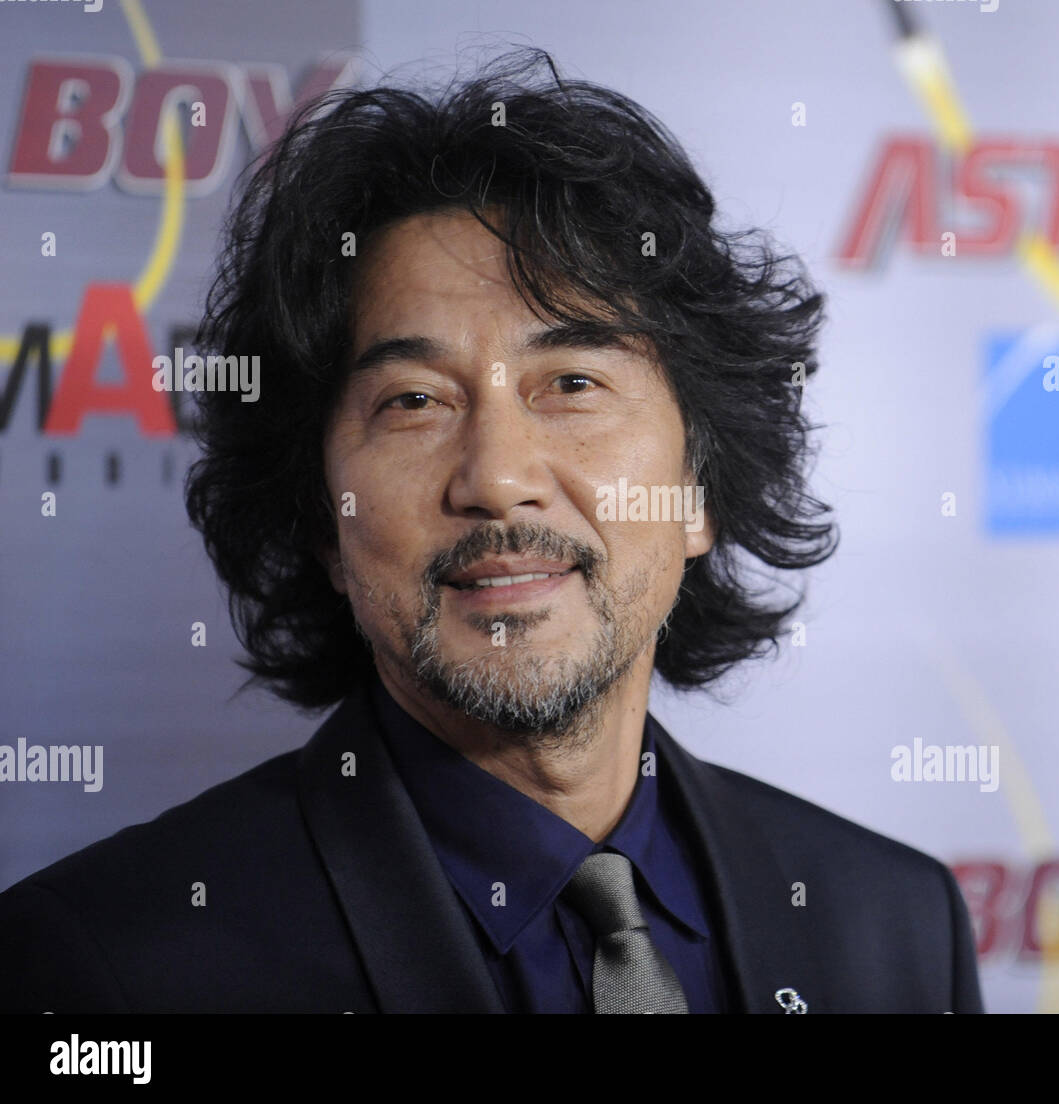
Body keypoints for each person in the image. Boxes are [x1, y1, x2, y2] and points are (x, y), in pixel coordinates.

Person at [0, 49, 983, 1014]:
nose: (498, 479)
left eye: (572, 385)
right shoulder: (115, 968)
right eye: (415, 401)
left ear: (700, 488)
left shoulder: (895, 924)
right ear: (321, 526)